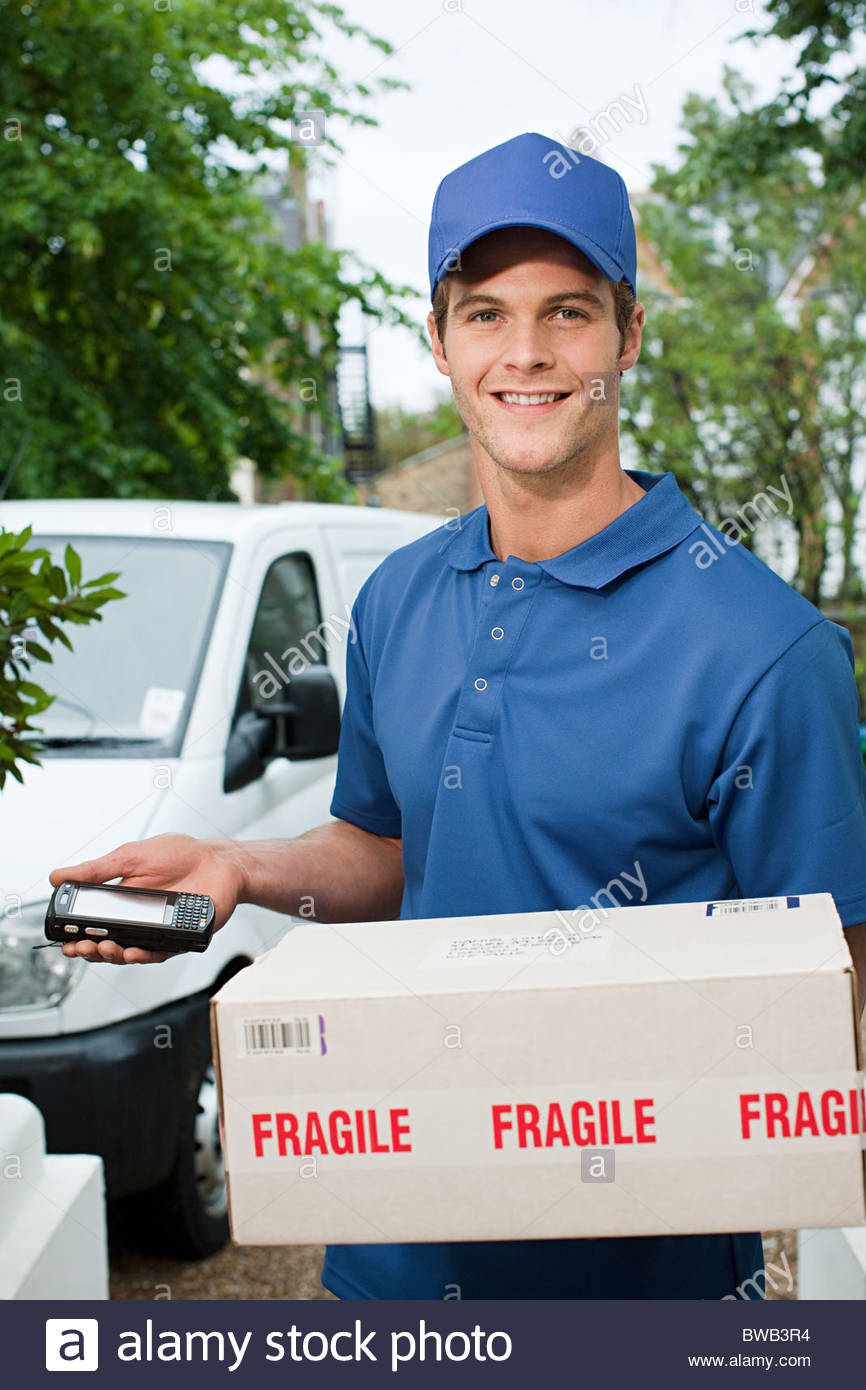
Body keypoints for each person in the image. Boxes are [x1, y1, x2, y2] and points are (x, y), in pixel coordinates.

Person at [53, 131, 866, 1300]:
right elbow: (385, 850)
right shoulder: (394, 598)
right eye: (483, 314)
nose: (524, 354)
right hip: (388, 1263)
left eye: (567, 313)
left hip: (643, 1298)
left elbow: (820, 994)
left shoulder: (764, 648)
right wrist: (232, 864)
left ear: (627, 335)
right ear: (437, 341)